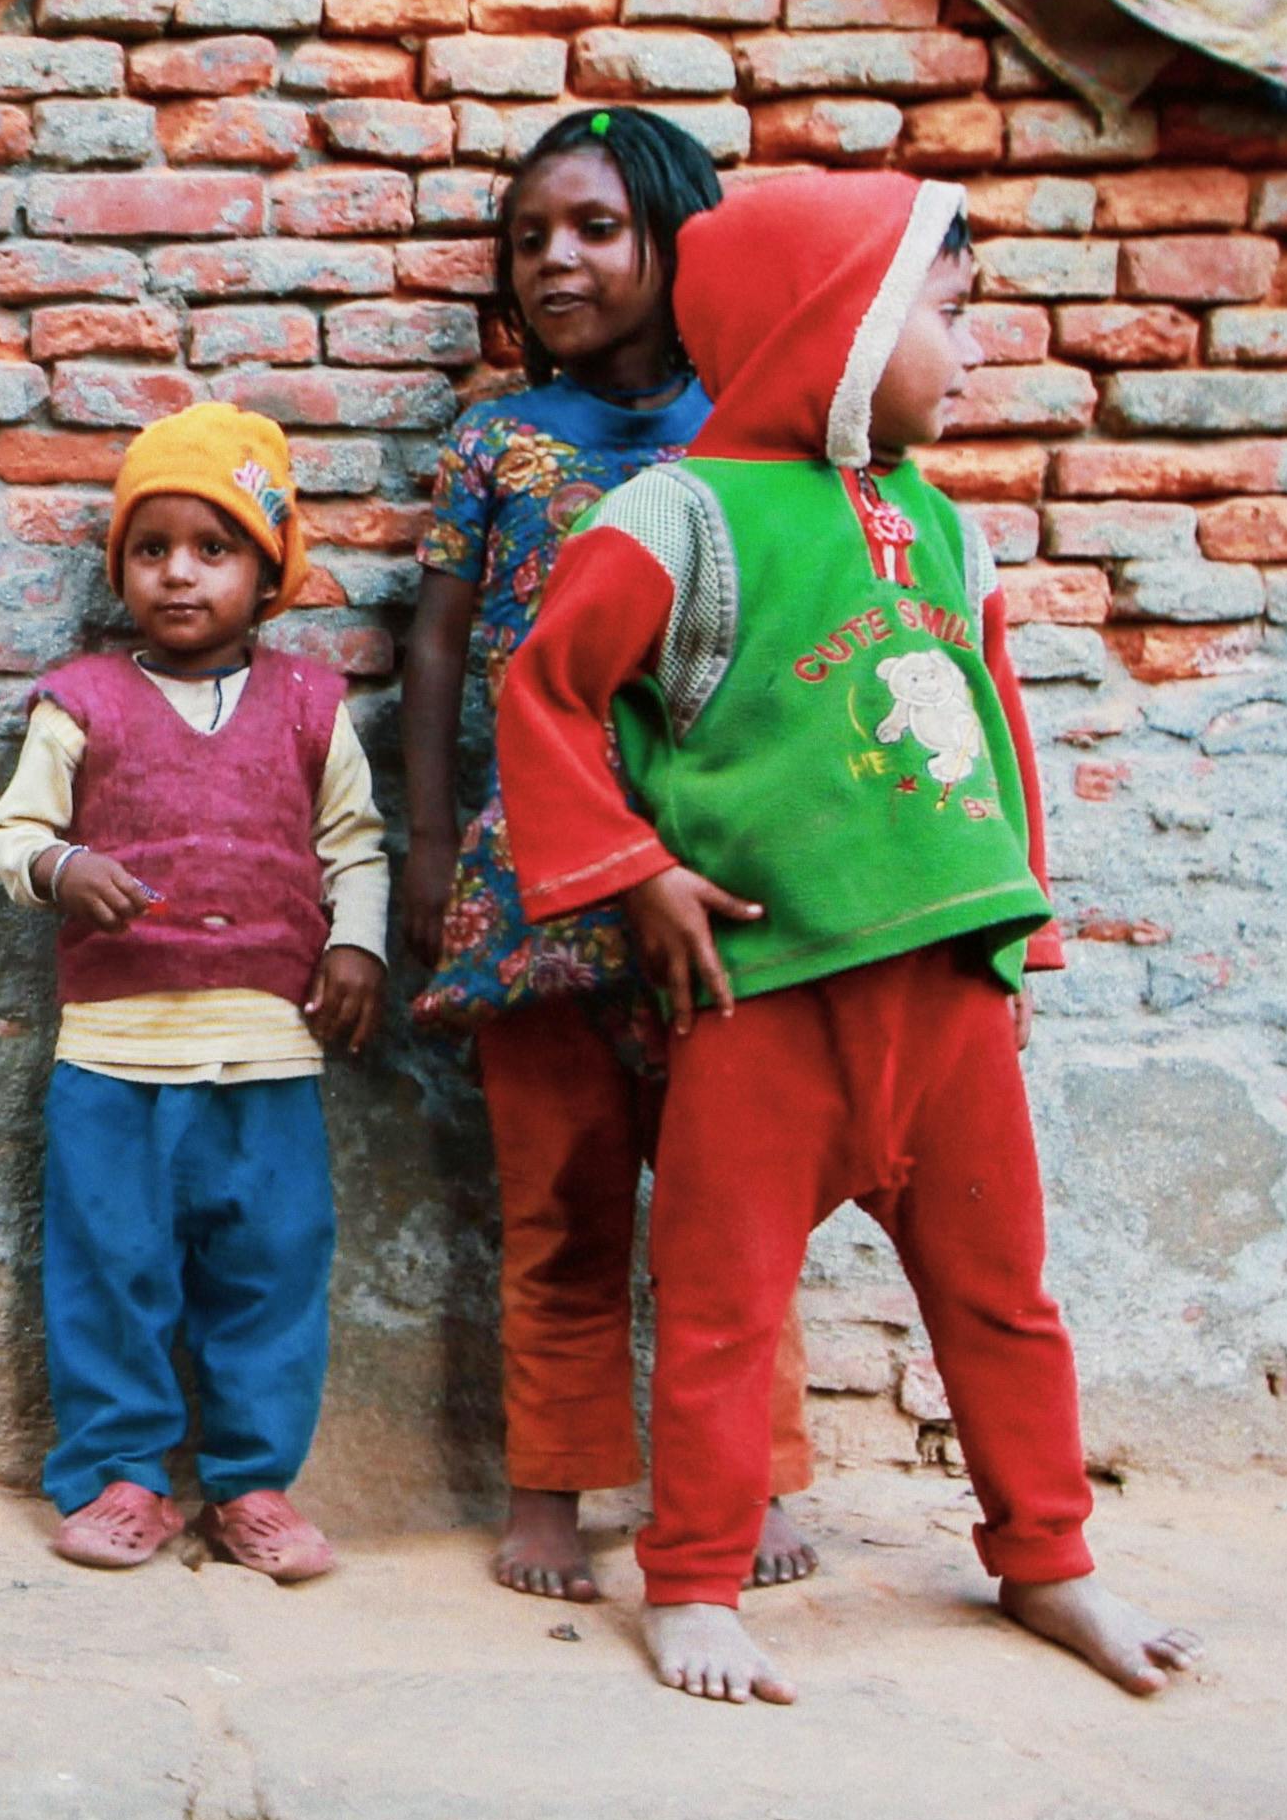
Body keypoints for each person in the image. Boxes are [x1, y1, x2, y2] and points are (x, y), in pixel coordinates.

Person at [496, 169, 1195, 1708]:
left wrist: (1021, 936)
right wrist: (633, 869)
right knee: (724, 1304)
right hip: (769, 999)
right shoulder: (682, 513)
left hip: (947, 1001)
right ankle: (691, 1583)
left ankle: (1049, 1559)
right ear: (842, 324)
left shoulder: (948, 533)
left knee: (1005, 1297)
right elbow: (547, 690)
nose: (968, 355)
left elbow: (999, 730)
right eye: (943, 319)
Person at [403, 107, 822, 1605]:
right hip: (531, 882)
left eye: (592, 228)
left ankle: (749, 1473)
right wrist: (430, 844)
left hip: (721, 874)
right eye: (527, 241)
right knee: (558, 1195)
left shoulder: (757, 430)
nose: (554, 261)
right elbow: (442, 642)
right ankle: (547, 1489)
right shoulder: (495, 443)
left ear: (678, 239)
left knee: (735, 1199)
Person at [0, 404, 387, 1582]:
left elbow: (352, 844)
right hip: (112, 1057)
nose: (177, 573)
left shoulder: (312, 707)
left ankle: (253, 1486)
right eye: (149, 548)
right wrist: (61, 866)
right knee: (110, 1266)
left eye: (212, 549)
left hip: (266, 1055)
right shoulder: (82, 700)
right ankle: (121, 1477)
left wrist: (352, 948)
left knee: (270, 1268)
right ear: (120, 568)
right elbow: (10, 832)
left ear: (267, 571)